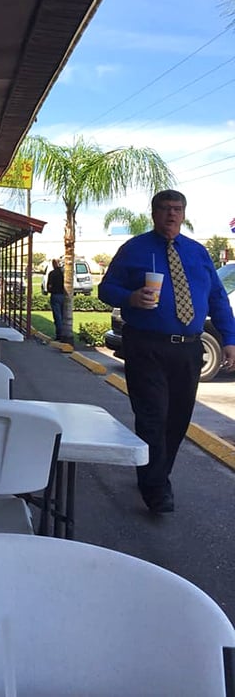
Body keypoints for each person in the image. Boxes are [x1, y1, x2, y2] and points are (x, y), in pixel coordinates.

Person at [99, 190, 235, 514]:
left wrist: (229, 339)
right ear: (154, 213)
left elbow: (217, 299)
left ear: (184, 214)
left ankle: (155, 472)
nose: (171, 215)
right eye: (165, 209)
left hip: (188, 350)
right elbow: (106, 289)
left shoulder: (198, 253)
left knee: (177, 419)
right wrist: (131, 298)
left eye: (177, 209)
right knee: (152, 416)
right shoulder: (134, 249)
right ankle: (157, 490)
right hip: (146, 346)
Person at [46, 258, 65, 340]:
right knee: (63, 315)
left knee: (57, 317)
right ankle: (64, 333)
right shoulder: (64, 273)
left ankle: (59, 335)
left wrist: (49, 290)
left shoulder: (52, 274)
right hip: (64, 296)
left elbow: (49, 286)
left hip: (55, 295)